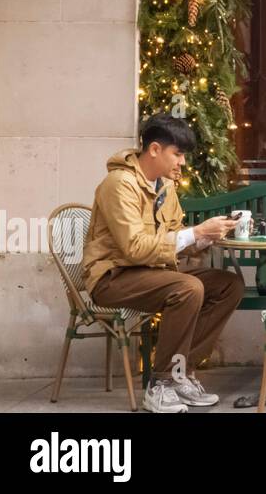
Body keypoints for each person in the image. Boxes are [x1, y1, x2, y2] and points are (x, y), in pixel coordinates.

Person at [84, 114, 242, 413]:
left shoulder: (165, 186)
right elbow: (133, 248)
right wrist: (194, 232)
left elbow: (172, 238)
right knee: (188, 288)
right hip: (112, 277)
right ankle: (161, 385)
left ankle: (182, 375)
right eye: (177, 154)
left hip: (152, 273)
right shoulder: (119, 184)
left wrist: (204, 239)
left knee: (229, 285)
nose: (181, 162)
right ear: (155, 149)